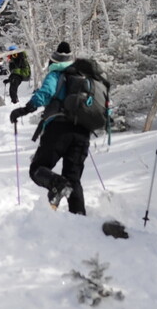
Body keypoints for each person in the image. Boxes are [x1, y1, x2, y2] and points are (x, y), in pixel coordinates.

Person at [8, 41, 97, 214]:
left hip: (58, 129)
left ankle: (56, 184)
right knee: (73, 178)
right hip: (82, 132)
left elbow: (45, 94)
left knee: (37, 168)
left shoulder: (56, 74)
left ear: (53, 61)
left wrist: (24, 109)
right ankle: (80, 219)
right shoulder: (84, 78)